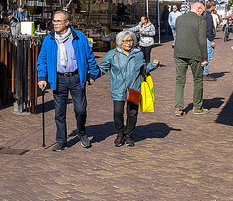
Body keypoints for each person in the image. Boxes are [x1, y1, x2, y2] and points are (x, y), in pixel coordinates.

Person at [36, 10, 100, 150]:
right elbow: (42, 59)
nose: (55, 24)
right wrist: (42, 77)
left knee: (80, 109)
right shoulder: (49, 39)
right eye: (54, 21)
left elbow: (89, 56)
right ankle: (61, 141)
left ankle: (81, 133)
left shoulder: (79, 37)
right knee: (59, 112)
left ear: (67, 22)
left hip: (77, 77)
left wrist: (93, 74)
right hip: (59, 79)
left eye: (59, 21)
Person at [96, 30, 160, 146]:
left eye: (130, 40)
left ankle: (129, 135)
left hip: (134, 87)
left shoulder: (138, 53)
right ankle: (120, 134)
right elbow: (102, 68)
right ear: (120, 42)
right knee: (118, 112)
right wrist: (92, 76)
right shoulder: (112, 54)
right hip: (118, 88)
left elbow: (143, 70)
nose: (128, 43)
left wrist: (153, 65)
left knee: (132, 112)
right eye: (125, 41)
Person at [173, 2, 207, 115]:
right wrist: (205, 58)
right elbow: (202, 41)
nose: (203, 13)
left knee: (179, 81)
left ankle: (178, 108)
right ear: (198, 9)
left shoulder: (179, 19)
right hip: (195, 54)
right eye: (203, 11)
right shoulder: (201, 21)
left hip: (179, 53)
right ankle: (197, 107)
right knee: (197, 80)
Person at [202, 3, 216, 75]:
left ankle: (203, 71)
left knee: (203, 55)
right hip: (208, 38)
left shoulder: (203, 14)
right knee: (208, 54)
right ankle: (205, 72)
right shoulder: (208, 15)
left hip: (202, 37)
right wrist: (212, 40)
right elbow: (209, 28)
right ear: (212, 7)